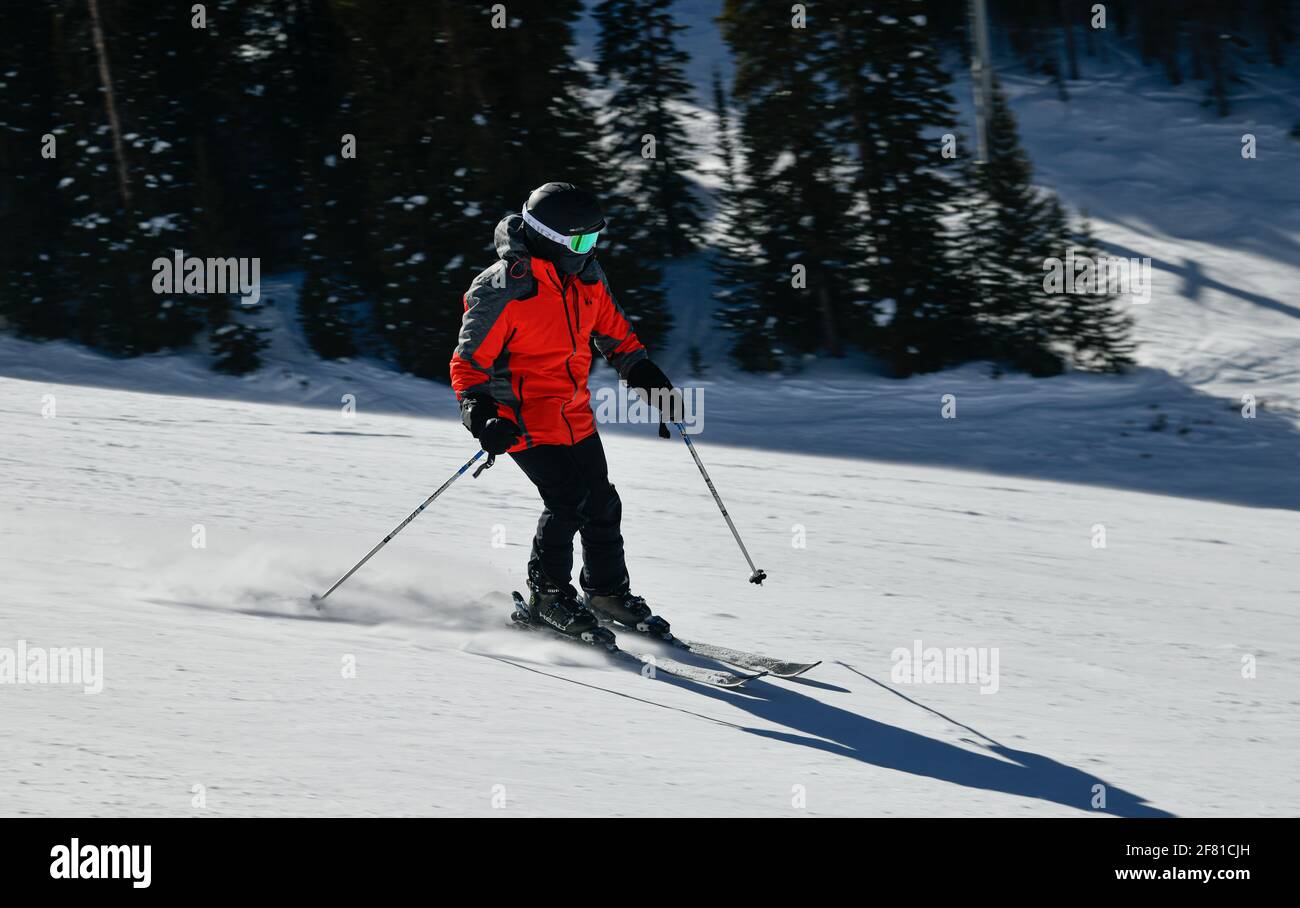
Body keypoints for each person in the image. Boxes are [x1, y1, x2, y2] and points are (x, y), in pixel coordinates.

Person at [450, 182, 678, 637]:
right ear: (547, 237)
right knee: (568, 500)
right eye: (581, 241)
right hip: (519, 414)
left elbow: (615, 334)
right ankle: (547, 595)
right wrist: (479, 412)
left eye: (595, 238)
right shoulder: (502, 288)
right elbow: (468, 360)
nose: (590, 249)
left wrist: (642, 372)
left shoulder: (588, 276)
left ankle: (605, 591)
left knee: (602, 501)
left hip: (573, 410)